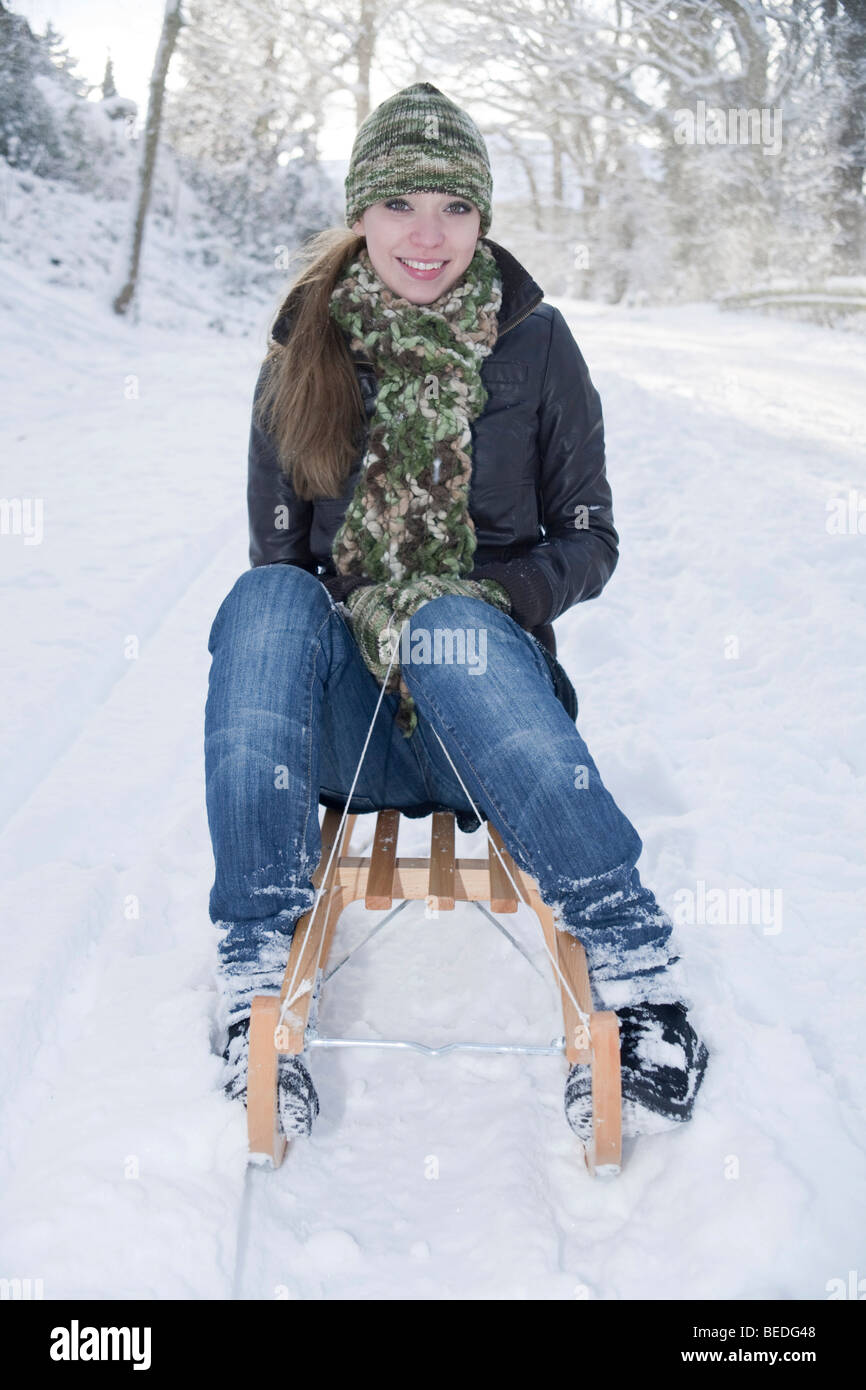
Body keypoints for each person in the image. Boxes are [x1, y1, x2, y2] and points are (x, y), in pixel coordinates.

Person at [204, 81, 709, 1144]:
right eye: (397, 205)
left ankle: (632, 957)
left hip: (493, 717)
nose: (425, 236)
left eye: (453, 206)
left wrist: (488, 598)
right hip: (350, 734)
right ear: (359, 215)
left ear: (482, 218)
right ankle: (253, 963)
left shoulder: (536, 346)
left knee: (443, 621)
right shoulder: (301, 351)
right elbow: (283, 574)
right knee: (262, 598)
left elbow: (590, 539)